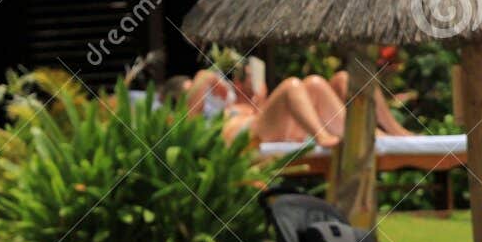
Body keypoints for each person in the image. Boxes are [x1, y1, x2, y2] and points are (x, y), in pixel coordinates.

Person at [177, 58, 413, 148]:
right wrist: (203, 77)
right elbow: (186, 117)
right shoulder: (217, 113)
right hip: (247, 137)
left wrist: (259, 98)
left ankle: (391, 133)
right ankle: (323, 138)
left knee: (329, 81)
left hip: (275, 128)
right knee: (292, 86)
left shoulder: (254, 103)